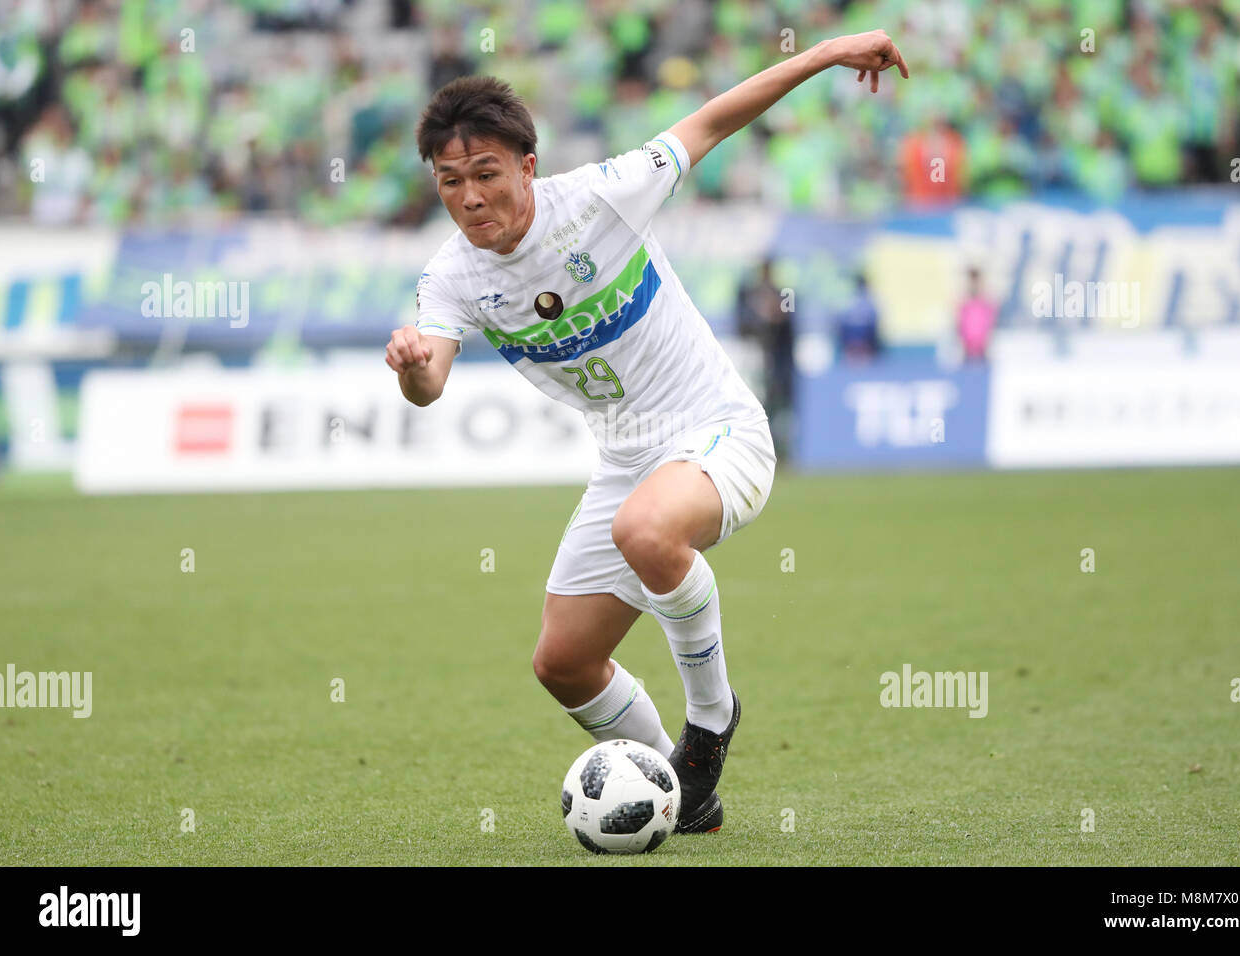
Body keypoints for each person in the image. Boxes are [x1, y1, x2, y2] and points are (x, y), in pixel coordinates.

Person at [384, 32, 909, 834]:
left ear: (528, 164)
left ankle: (711, 720)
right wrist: (413, 365)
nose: (470, 197)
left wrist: (829, 53)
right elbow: (430, 387)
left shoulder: (601, 196)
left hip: (719, 433)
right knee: (562, 663)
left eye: (486, 173)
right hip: (628, 462)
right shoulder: (452, 276)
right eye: (450, 182)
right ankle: (679, 796)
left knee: (646, 529)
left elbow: (713, 120)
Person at [735, 259, 794, 459]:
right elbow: (741, 324)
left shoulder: (785, 293)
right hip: (753, 359)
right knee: (753, 403)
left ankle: (780, 450)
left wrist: (775, 315)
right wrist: (762, 316)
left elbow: (789, 320)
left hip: (777, 361)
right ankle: (752, 449)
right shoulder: (748, 293)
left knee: (778, 406)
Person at [836, 272, 882, 362]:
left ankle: (865, 352)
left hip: (861, 328)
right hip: (855, 328)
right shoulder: (854, 296)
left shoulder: (867, 297)